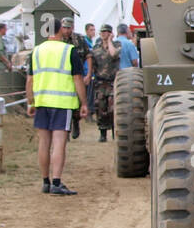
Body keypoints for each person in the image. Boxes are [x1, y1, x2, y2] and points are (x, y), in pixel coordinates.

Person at [24, 16, 88, 194]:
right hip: (62, 102)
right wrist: (84, 103)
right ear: (61, 30)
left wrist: (31, 102)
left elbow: (30, 80)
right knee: (59, 142)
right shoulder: (69, 51)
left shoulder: (36, 51)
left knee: (44, 142)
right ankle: (57, 182)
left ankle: (45, 181)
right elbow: (77, 79)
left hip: (42, 101)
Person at [90, 24, 121, 142]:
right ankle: (102, 133)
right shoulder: (96, 48)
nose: (103, 33)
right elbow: (92, 63)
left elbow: (113, 54)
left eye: (106, 32)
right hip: (100, 83)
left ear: (110, 33)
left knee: (113, 108)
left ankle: (114, 132)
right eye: (102, 32)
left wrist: (109, 41)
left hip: (113, 82)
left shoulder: (116, 45)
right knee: (100, 107)